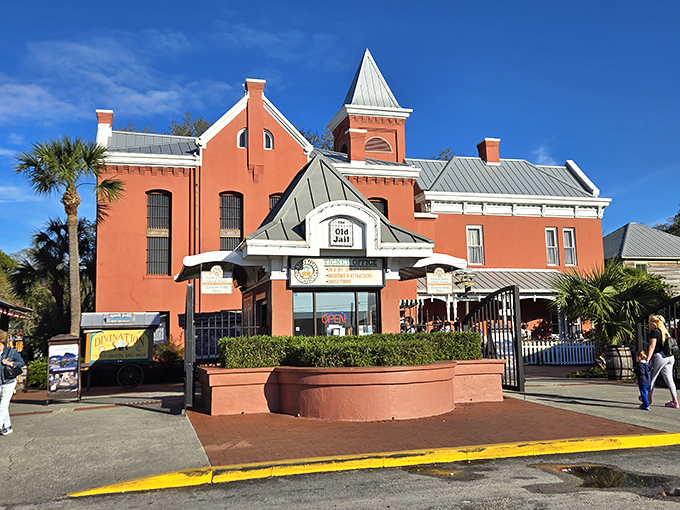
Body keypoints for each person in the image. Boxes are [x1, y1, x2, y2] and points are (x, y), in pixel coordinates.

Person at [646, 314, 679, 409]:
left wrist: (648, 358)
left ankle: (648, 399)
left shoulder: (654, 332)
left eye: (649, 322)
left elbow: (652, 346)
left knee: (652, 377)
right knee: (669, 379)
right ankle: (675, 401)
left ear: (654, 323)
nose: (648, 324)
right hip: (669, 357)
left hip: (659, 356)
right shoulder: (665, 332)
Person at [0, 336, 25, 435]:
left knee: (3, 405)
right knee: (2, 406)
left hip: (9, 382)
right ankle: (7, 427)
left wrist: (10, 363)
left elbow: (21, 363)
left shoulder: (11, 352)